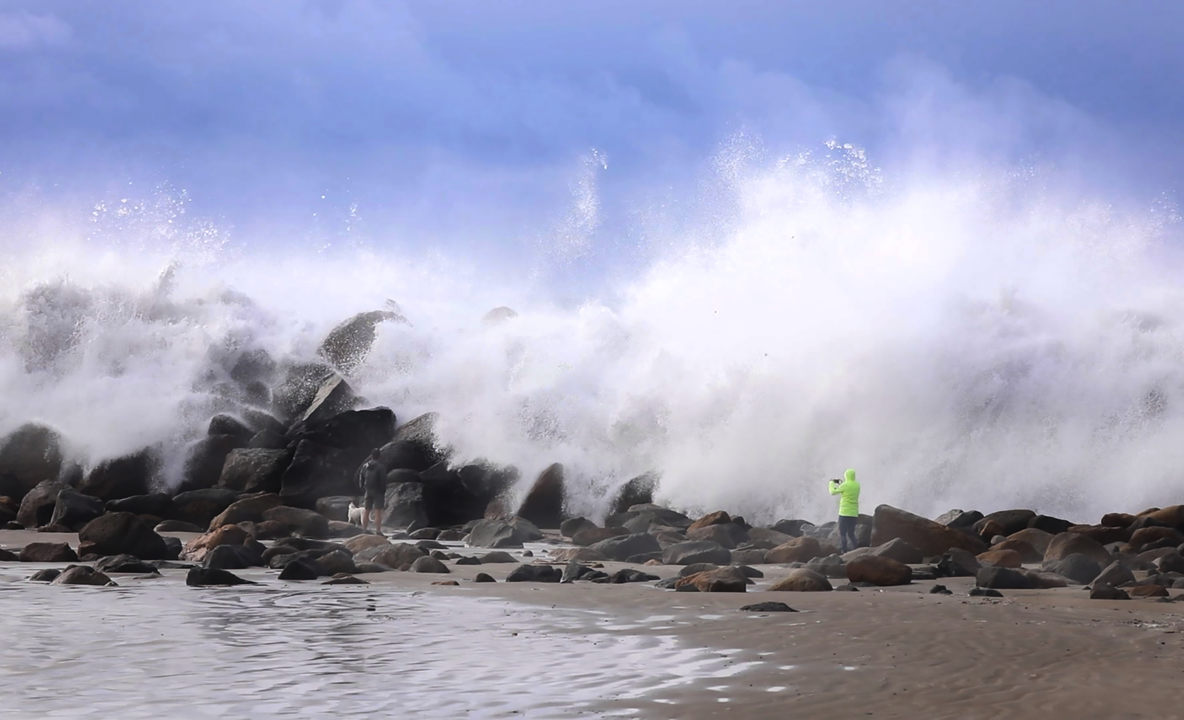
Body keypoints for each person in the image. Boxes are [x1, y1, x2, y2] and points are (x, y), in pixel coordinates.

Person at [828, 468, 861, 553]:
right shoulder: (857, 485)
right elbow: (848, 489)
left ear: (846, 475)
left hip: (844, 513)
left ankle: (844, 551)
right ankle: (857, 550)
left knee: (843, 534)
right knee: (851, 534)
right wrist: (842, 484)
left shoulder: (845, 485)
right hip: (853, 513)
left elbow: (833, 492)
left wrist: (831, 483)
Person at [357, 449, 387, 534]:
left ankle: (364, 530)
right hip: (378, 491)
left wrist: (363, 488)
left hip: (368, 490)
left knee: (366, 510)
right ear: (379, 456)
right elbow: (383, 480)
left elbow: (361, 478)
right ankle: (378, 531)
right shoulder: (381, 467)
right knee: (378, 511)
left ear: (371, 456)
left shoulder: (365, 466)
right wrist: (383, 490)